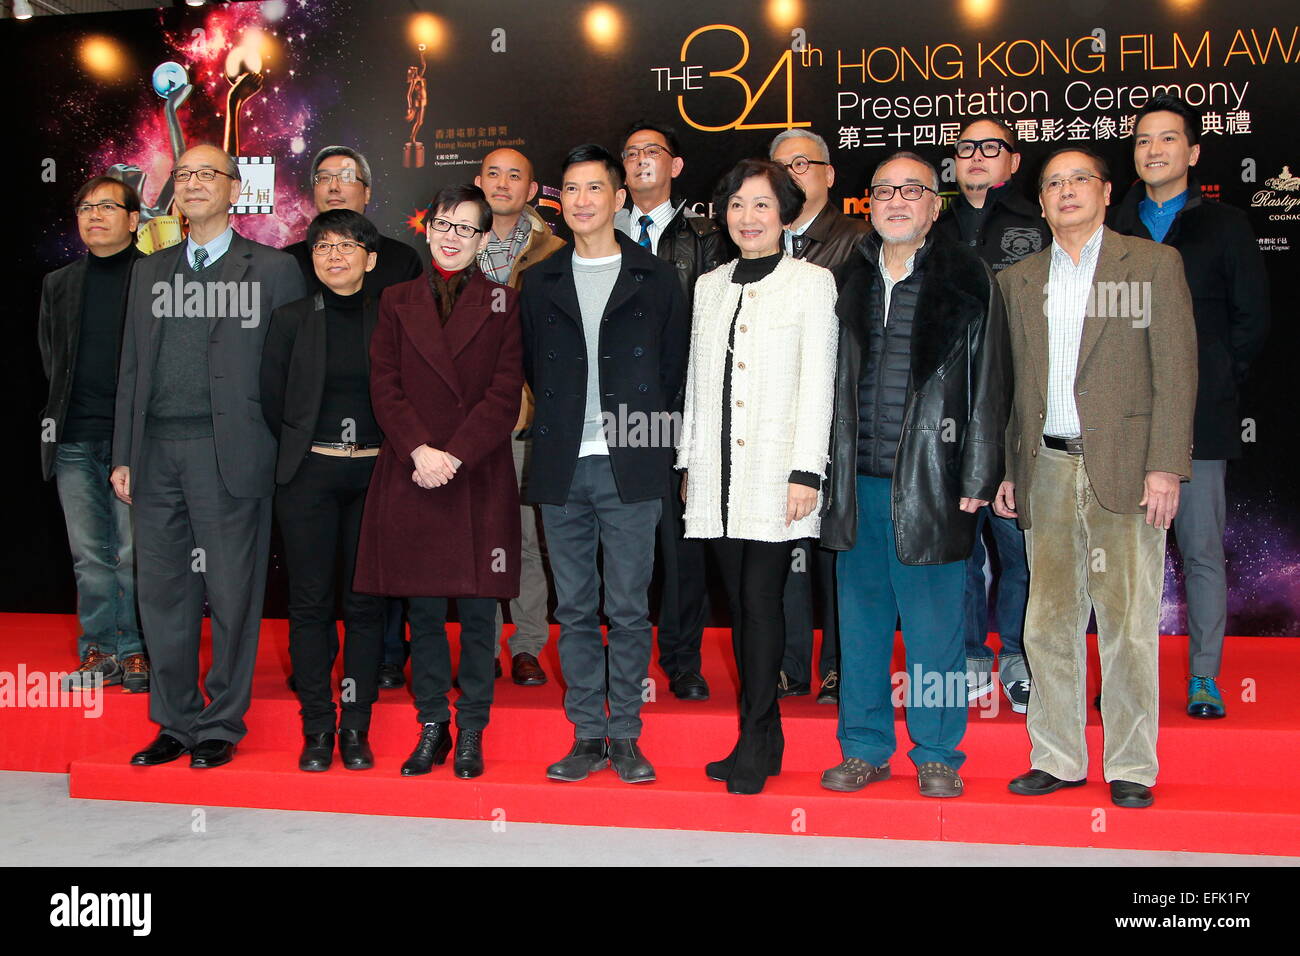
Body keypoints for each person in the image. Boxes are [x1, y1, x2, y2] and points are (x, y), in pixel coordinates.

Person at [998, 147, 1197, 809]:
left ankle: (1132, 763)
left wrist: (1166, 464)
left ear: (1108, 193)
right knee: (1047, 621)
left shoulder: (1150, 265)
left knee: (1128, 621)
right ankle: (1056, 755)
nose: (1065, 191)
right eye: (1052, 183)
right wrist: (1008, 470)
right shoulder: (1019, 278)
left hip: (1127, 466)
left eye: (1079, 179)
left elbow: (1176, 373)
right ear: (1042, 200)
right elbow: (1010, 389)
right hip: (1045, 467)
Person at [820, 151, 1011, 799]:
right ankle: (865, 748)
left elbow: (991, 388)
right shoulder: (843, 279)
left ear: (936, 205)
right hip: (855, 485)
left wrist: (979, 475)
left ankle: (937, 752)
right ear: (867, 204)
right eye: (884, 191)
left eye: (913, 191)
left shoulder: (969, 277)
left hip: (933, 485)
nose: (896, 201)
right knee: (862, 626)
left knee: (935, 632)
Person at [113, 144, 306, 769]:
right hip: (155, 452)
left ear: (235, 188)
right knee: (162, 592)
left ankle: (221, 721)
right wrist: (123, 455)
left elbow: (294, 375)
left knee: (231, 593)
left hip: (231, 454)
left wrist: (281, 453)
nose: (194, 184)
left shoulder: (273, 270)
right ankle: (174, 721)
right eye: (185, 174)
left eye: (208, 174)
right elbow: (131, 369)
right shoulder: (150, 270)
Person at [519, 144, 688, 784]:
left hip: (633, 463)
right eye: (571, 188)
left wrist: (654, 443)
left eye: (595, 188)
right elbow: (536, 368)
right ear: (559, 201)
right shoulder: (540, 281)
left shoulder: (657, 277)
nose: (582, 200)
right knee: (574, 608)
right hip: (563, 461)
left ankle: (627, 736)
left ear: (619, 198)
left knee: (628, 607)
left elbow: (672, 371)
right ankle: (587, 733)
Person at [677, 158, 838, 793]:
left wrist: (807, 470)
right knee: (736, 607)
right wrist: (689, 460)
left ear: (786, 214)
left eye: (762, 205)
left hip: (776, 469)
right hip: (716, 471)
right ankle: (761, 737)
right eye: (738, 205)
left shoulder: (811, 283)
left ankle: (756, 732)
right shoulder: (710, 285)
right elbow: (695, 382)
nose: (748, 217)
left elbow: (818, 382)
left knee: (761, 601)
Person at [1109, 95, 1270, 719]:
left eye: (1168, 139)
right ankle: (1128, 679)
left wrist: (1213, 380)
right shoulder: (1111, 224)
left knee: (1200, 550)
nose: (1154, 150)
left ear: (1193, 152)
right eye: (1144, 140)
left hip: (1200, 419)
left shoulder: (1225, 226)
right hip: (1121, 421)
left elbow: (1250, 320)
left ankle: (1204, 677)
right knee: (1122, 559)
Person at [353, 185, 523, 779]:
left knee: (479, 615)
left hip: (474, 475)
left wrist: (453, 455)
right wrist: (420, 450)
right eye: (444, 224)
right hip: (412, 471)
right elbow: (384, 386)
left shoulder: (503, 302)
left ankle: (472, 727)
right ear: (428, 228)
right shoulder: (395, 299)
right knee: (422, 613)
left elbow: (505, 396)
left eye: (466, 228)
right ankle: (432, 725)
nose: (452, 236)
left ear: (482, 240)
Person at [260, 209, 388, 772]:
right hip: (308, 477)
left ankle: (355, 727)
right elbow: (272, 401)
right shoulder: (290, 318)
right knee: (310, 605)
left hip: (375, 477)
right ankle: (317, 727)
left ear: (371, 258)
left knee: (364, 606)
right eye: (322, 246)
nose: (333, 255)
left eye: (346, 245)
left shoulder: (391, 318)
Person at [936, 118, 1050, 714]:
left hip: (1016, 414)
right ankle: (970, 658)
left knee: (1018, 545)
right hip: (948, 415)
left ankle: (1019, 657)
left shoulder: (1041, 224)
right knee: (958, 546)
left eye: (990, 148)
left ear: (1014, 159)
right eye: (965, 148)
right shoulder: (932, 223)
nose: (976, 157)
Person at [614, 121, 726, 703]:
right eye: (630, 154)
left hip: (679, 409)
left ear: (676, 166)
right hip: (611, 413)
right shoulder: (595, 231)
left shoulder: (707, 237)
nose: (639, 162)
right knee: (620, 543)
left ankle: (683, 659)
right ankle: (624, 662)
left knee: (680, 543)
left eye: (651, 152)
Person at [769, 129, 872, 704]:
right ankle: (788, 664)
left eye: (802, 164)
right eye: (779, 166)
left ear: (830, 175)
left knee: (834, 548)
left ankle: (838, 664)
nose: (790, 175)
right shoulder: (755, 241)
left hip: (839, 419)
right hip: (772, 422)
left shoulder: (859, 241)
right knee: (780, 544)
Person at [40, 176, 148, 693]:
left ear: (133, 220)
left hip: (135, 440)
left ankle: (136, 652)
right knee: (89, 554)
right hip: (74, 439)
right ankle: (99, 651)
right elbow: (52, 360)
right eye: (86, 207)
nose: (95, 215)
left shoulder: (156, 276)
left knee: (133, 552)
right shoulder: (58, 283)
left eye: (108, 206)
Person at [474, 147, 566, 687]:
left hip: (528, 419)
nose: (503, 183)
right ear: (478, 180)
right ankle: (482, 642)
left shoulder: (554, 251)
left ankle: (527, 644)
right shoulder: (453, 243)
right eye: (493, 173)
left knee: (528, 538)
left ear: (533, 189)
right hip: (464, 424)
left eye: (516, 176)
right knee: (476, 537)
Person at [283, 146, 423, 294]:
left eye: (346, 177)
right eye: (324, 178)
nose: (333, 187)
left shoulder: (402, 259)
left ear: (367, 193)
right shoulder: (289, 261)